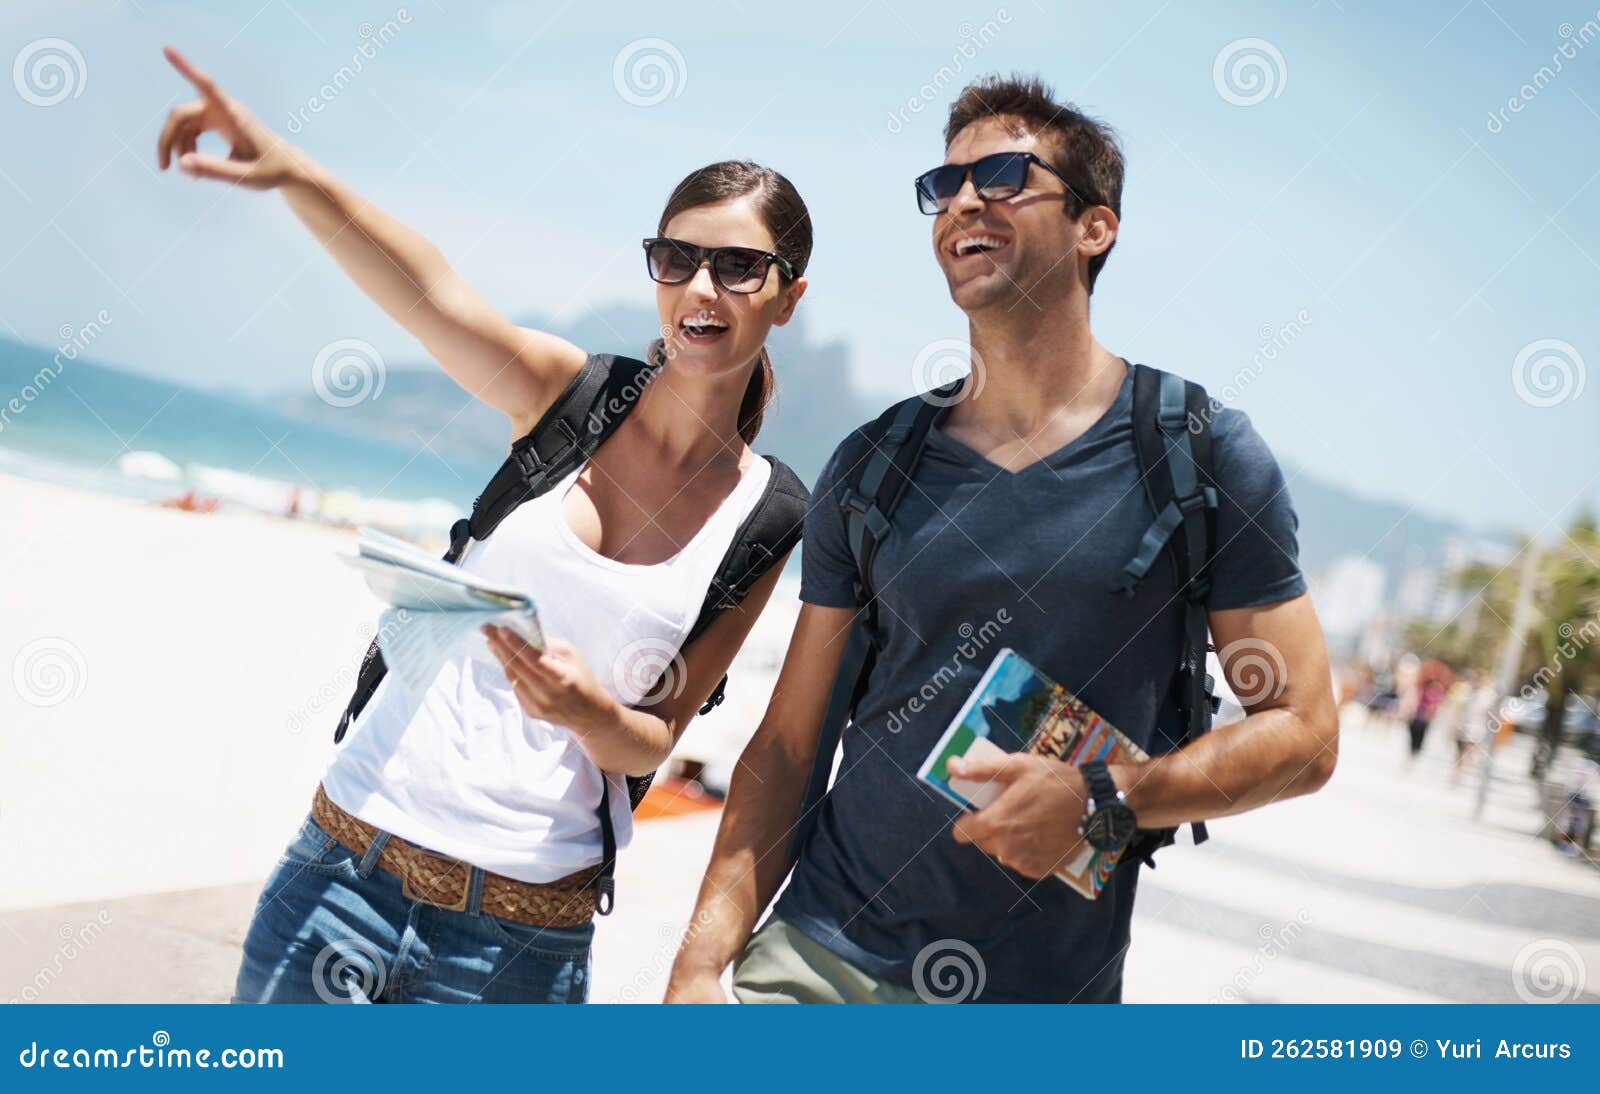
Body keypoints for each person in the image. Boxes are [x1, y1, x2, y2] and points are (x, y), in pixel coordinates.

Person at [154, 46, 813, 1003]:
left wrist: (587, 713)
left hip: (517, 949)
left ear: (790, 295)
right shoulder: (569, 396)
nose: (701, 287)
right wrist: (294, 171)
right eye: (678, 258)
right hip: (341, 876)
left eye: (739, 267)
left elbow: (651, 740)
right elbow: (428, 292)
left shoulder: (771, 513)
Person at [665, 74, 1339, 1005]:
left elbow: (1303, 733)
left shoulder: (1197, 454)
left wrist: (1109, 802)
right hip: (819, 963)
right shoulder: (876, 466)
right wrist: (699, 964)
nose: (964, 201)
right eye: (944, 186)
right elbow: (788, 747)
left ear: (1095, 226)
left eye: (1006, 175)